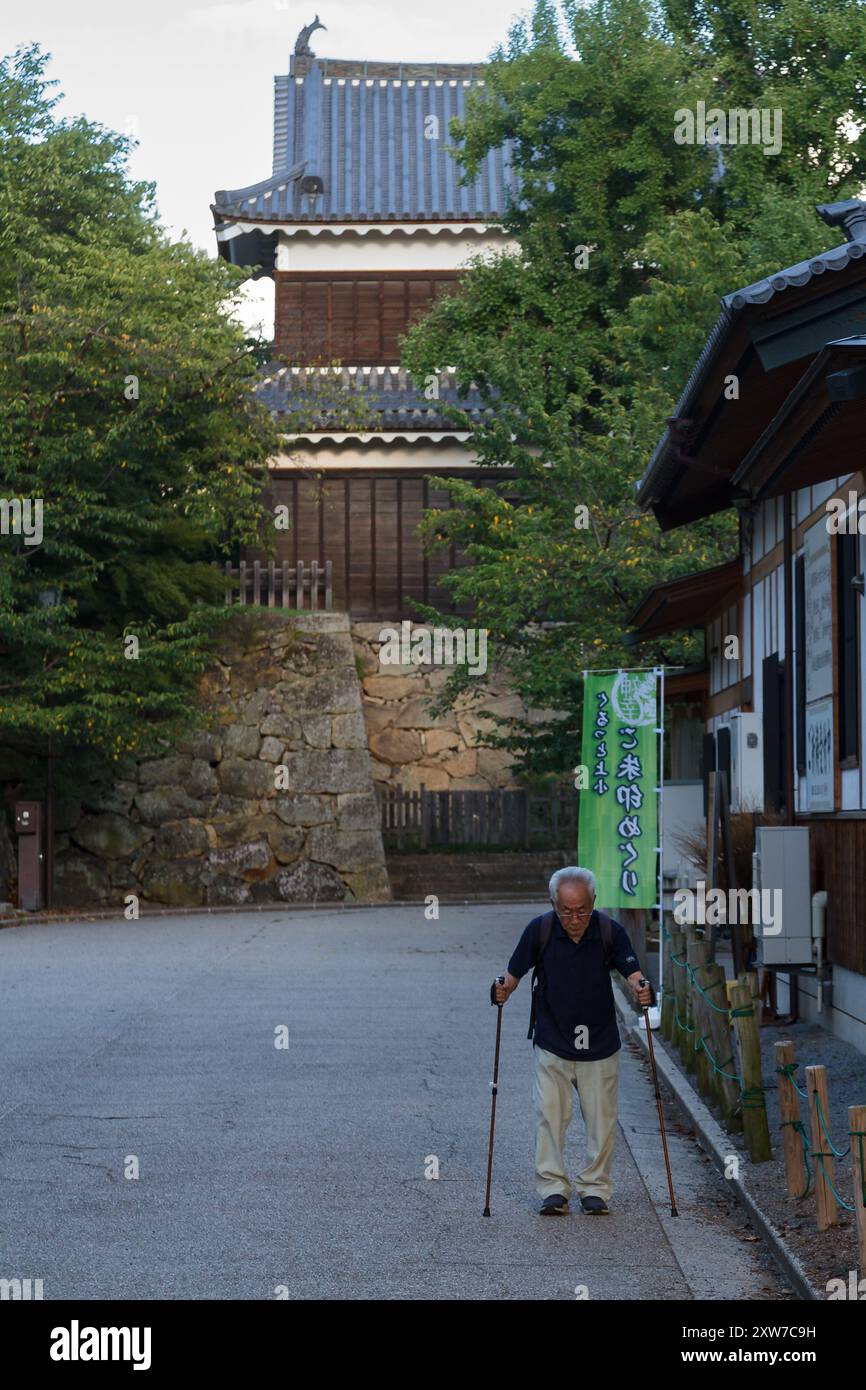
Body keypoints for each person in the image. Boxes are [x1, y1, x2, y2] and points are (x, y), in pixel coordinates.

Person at [494, 865, 652, 1215]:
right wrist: (501, 989)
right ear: (553, 903)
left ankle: (594, 1187)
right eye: (566, 910)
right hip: (553, 1039)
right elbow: (513, 973)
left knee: (601, 1119)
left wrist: (643, 990)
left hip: (600, 1041)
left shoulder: (610, 931)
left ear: (593, 901)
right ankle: (553, 1187)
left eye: (582, 910)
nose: (575, 918)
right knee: (550, 1115)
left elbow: (634, 973)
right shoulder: (541, 929)